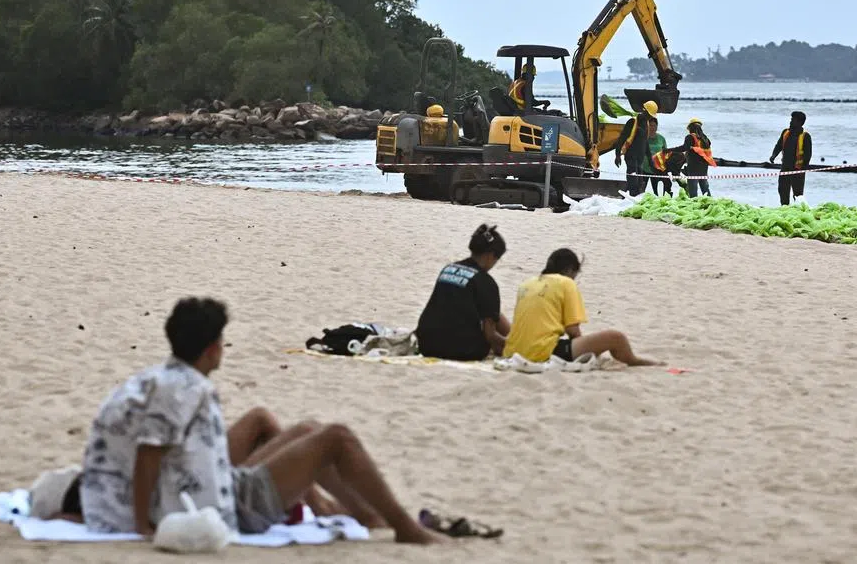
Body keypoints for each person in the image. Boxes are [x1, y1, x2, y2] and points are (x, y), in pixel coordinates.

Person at [78, 296, 442, 544]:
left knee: (303, 429)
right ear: (212, 349)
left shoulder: (164, 377)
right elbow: (149, 454)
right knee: (337, 438)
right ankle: (405, 527)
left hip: (208, 482)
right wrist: (143, 526)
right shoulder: (184, 390)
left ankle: (363, 515)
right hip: (227, 506)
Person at [502, 249, 662, 366]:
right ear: (569, 270)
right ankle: (634, 361)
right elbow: (573, 331)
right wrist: (585, 350)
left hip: (512, 351)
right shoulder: (566, 283)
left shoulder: (527, 284)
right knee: (616, 338)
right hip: (541, 352)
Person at [415, 224, 510, 361]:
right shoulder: (486, 282)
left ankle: (514, 334)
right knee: (491, 312)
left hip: (426, 344)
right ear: (490, 256)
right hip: (460, 350)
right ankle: (516, 336)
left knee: (491, 310)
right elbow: (490, 336)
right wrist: (512, 346)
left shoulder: (449, 268)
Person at [613, 100, 658, 196]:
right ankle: (629, 199)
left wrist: (650, 160)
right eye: (649, 114)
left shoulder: (646, 124)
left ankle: (630, 197)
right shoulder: (632, 122)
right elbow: (622, 138)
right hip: (631, 157)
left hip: (640, 159)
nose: (650, 117)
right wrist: (617, 155)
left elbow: (645, 143)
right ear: (644, 110)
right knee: (633, 183)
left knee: (640, 184)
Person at [769, 111, 813, 205]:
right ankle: (784, 208)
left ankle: (799, 210)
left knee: (798, 195)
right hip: (785, 168)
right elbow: (779, 145)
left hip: (798, 170)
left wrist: (803, 169)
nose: (790, 121)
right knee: (782, 191)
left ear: (800, 122)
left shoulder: (805, 136)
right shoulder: (785, 132)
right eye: (791, 119)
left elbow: (808, 155)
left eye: (793, 120)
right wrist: (773, 155)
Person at [680, 118, 716, 197]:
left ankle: (694, 205)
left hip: (693, 168)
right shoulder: (706, 139)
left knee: (693, 192)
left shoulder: (689, 137)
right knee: (705, 189)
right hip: (703, 168)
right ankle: (709, 203)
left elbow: (686, 149)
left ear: (690, 128)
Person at [642, 116, 673, 195]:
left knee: (657, 192)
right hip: (643, 168)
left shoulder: (661, 138)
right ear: (647, 126)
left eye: (654, 125)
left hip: (657, 169)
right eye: (650, 125)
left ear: (657, 126)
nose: (652, 127)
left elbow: (666, 154)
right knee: (641, 191)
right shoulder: (642, 138)